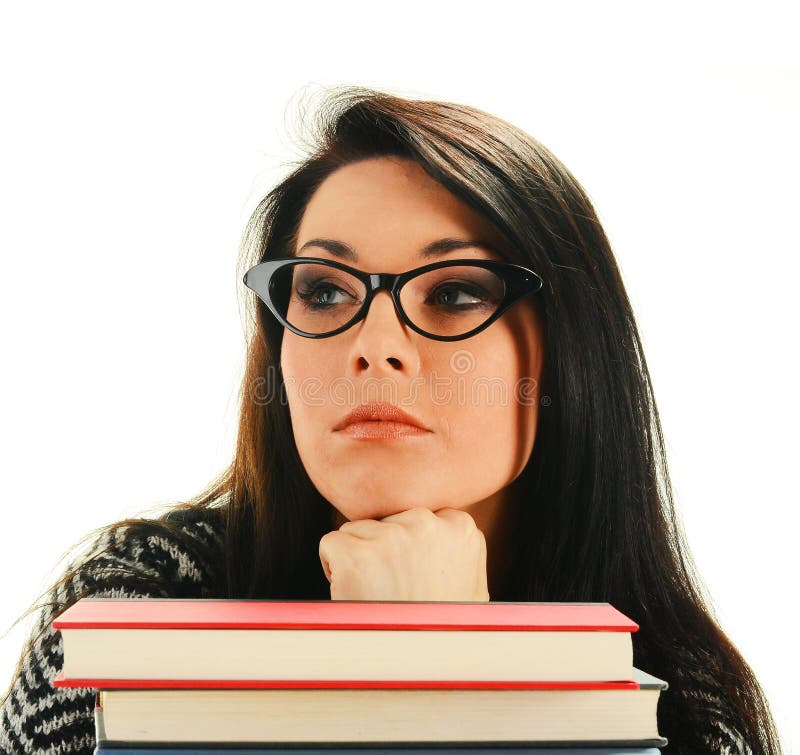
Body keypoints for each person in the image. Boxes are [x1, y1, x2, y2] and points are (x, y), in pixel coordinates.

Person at [0, 86, 783, 755]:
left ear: (568, 353)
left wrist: (454, 664)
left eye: (452, 293)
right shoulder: (136, 611)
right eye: (325, 291)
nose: (374, 347)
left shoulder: (678, 703)